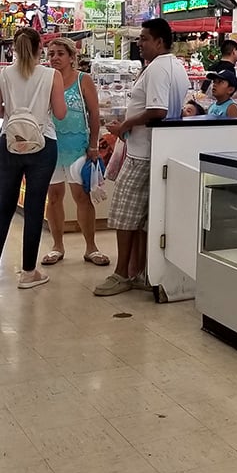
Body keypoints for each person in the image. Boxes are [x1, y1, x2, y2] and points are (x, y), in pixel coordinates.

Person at [95, 18, 189, 297]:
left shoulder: (158, 69)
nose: (140, 43)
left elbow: (158, 111)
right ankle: (141, 271)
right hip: (158, 150)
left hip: (142, 153)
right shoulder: (176, 67)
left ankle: (122, 273)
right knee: (146, 218)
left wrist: (124, 125)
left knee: (124, 215)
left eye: (144, 38)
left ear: (160, 41)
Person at [0, 27, 66, 288]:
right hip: (43, 143)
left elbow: (1, 111)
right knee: (35, 206)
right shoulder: (52, 75)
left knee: (4, 206)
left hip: (9, 143)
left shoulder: (4, 74)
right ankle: (29, 272)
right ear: (41, 47)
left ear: (13, 49)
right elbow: (59, 113)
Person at [42, 37, 109, 267]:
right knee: (54, 197)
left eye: (60, 53)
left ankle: (91, 247)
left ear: (72, 57)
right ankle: (57, 246)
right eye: (51, 54)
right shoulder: (46, 79)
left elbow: (94, 113)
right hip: (51, 146)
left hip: (78, 147)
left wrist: (93, 145)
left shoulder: (83, 79)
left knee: (82, 197)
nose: (55, 58)